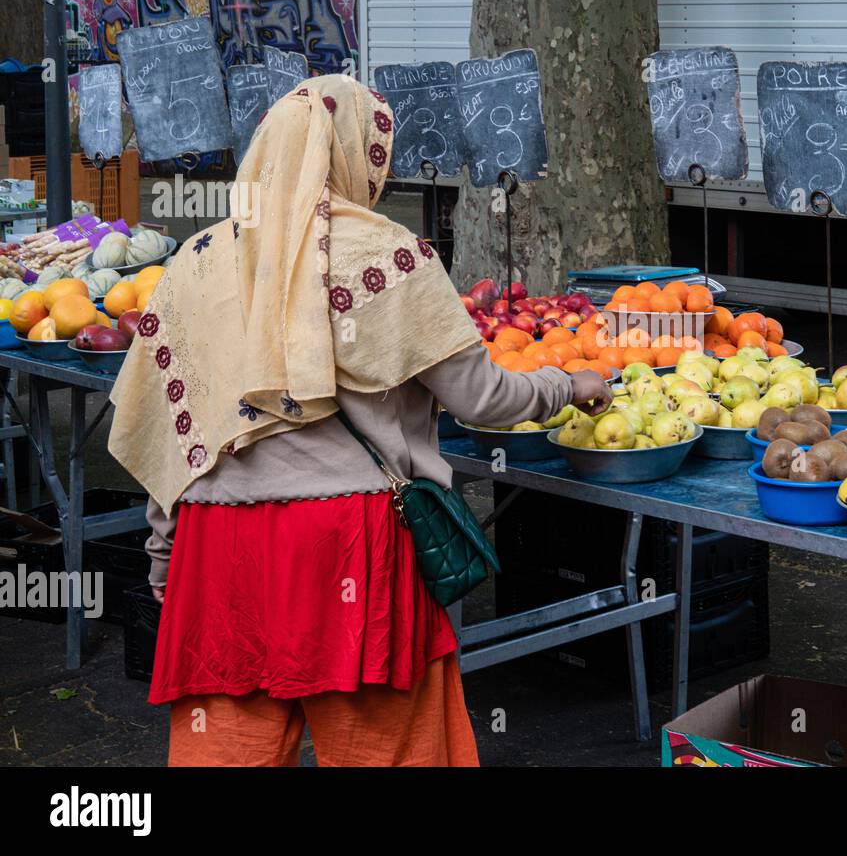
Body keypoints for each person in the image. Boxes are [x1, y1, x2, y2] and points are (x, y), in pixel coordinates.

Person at [107, 75, 610, 767]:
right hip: (348, 544)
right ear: (353, 156)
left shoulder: (198, 265)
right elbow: (482, 401)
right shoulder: (390, 256)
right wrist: (568, 384)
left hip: (220, 554)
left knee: (226, 754)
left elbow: (176, 439)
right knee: (389, 750)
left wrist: (166, 563)